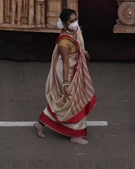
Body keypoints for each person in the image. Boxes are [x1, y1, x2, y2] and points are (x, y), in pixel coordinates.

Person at [35, 8, 97, 145]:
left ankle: (40, 123)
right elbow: (65, 63)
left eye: (76, 19)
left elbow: (80, 45)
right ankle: (75, 135)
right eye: (72, 21)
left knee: (67, 103)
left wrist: (84, 52)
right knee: (73, 102)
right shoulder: (64, 42)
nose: (75, 23)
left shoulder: (74, 32)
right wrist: (65, 84)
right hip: (67, 74)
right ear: (64, 24)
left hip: (75, 70)